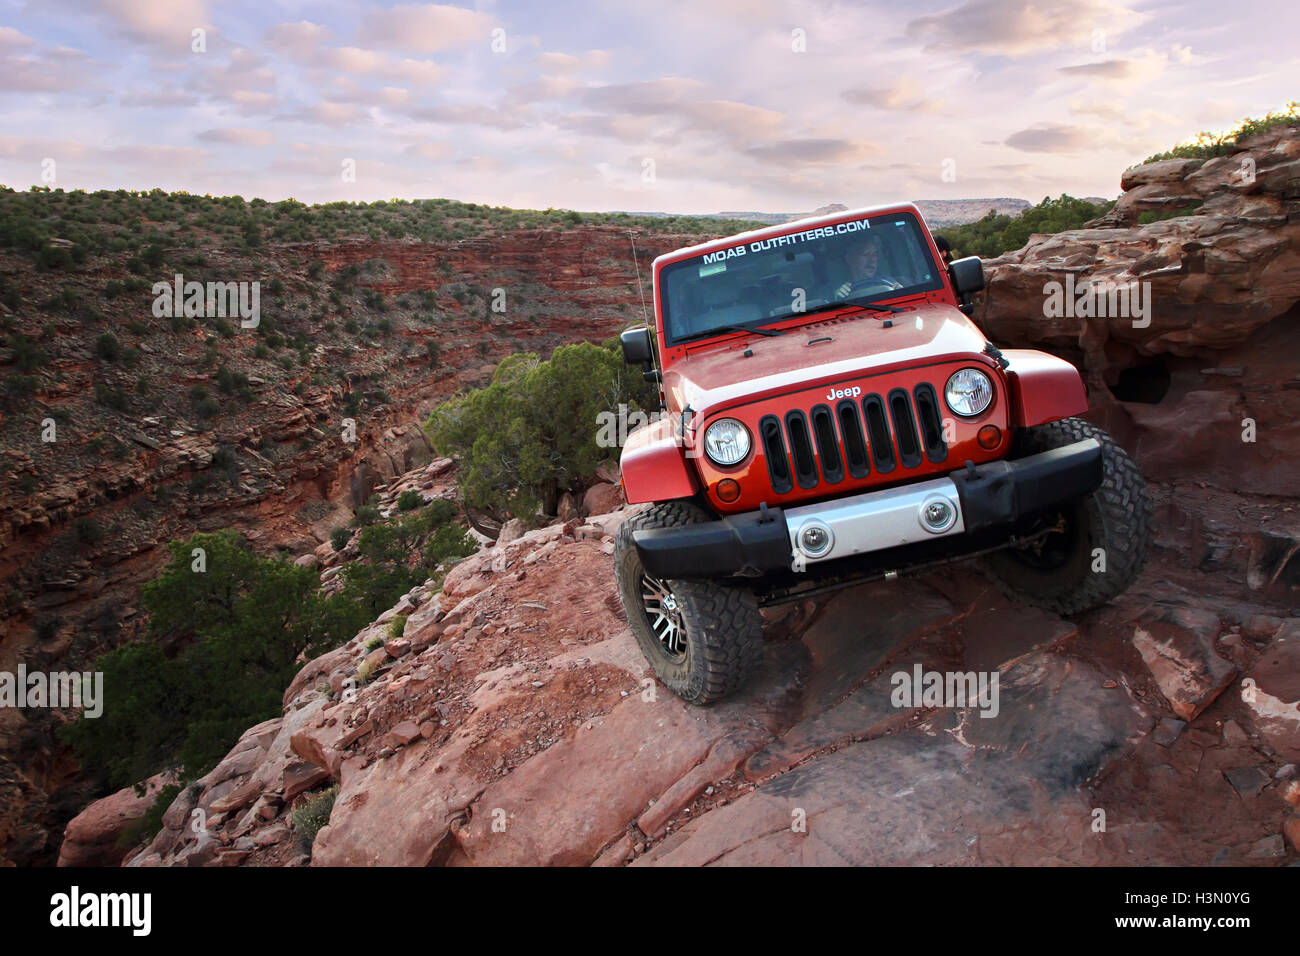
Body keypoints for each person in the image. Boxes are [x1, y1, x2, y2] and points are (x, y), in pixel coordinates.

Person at [833, 232, 900, 299]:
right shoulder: (840, 291)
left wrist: (900, 291)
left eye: (874, 254)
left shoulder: (891, 282)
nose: (872, 260)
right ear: (849, 259)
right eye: (865, 254)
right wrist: (837, 299)